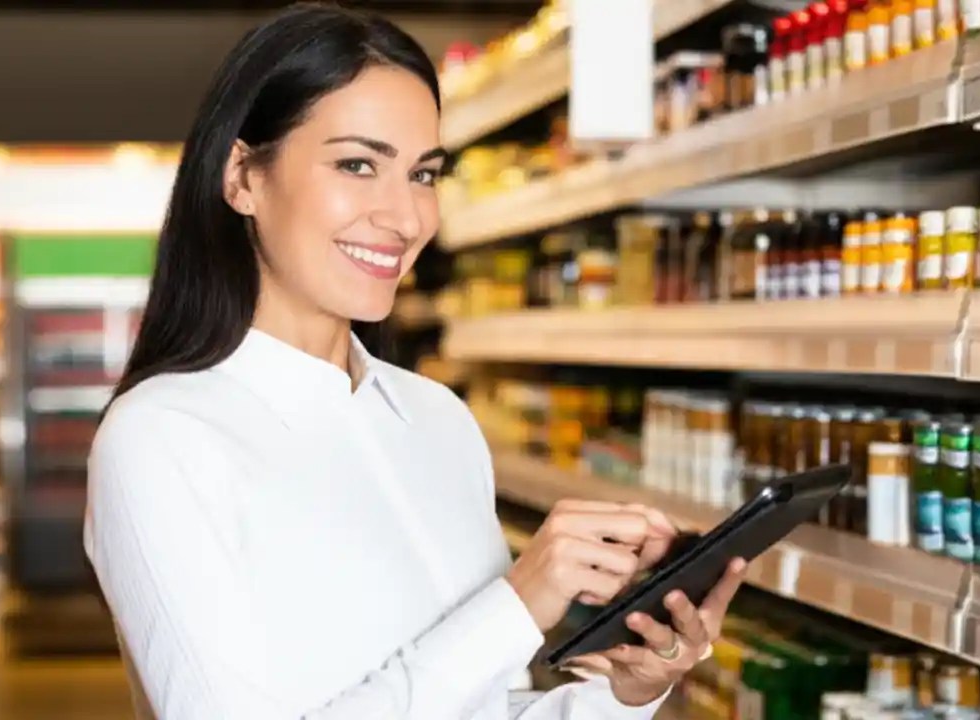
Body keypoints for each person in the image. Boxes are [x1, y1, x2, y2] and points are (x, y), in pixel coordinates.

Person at [85, 4, 747, 719]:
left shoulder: (438, 421)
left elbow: (490, 708)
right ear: (242, 175)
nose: (405, 218)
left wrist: (626, 695)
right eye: (358, 164)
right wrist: (519, 602)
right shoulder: (162, 437)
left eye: (424, 174)